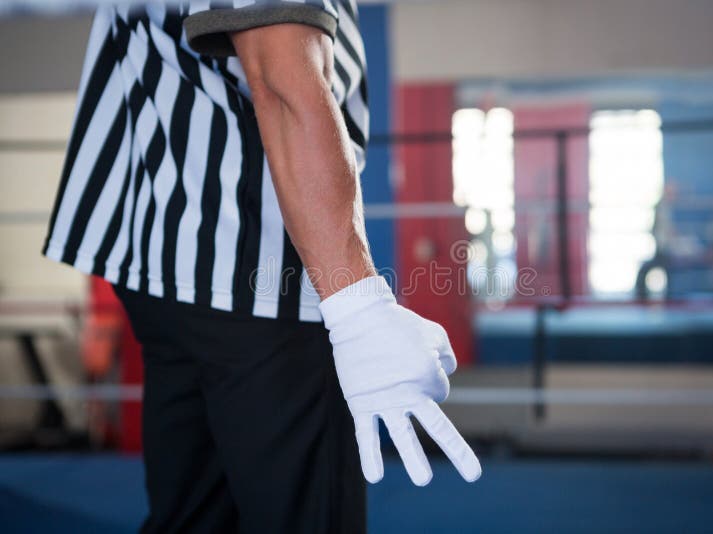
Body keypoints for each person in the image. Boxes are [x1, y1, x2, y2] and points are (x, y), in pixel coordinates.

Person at [42, 1, 481, 532]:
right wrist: (358, 305)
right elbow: (280, 75)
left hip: (165, 256)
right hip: (257, 271)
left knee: (198, 516)